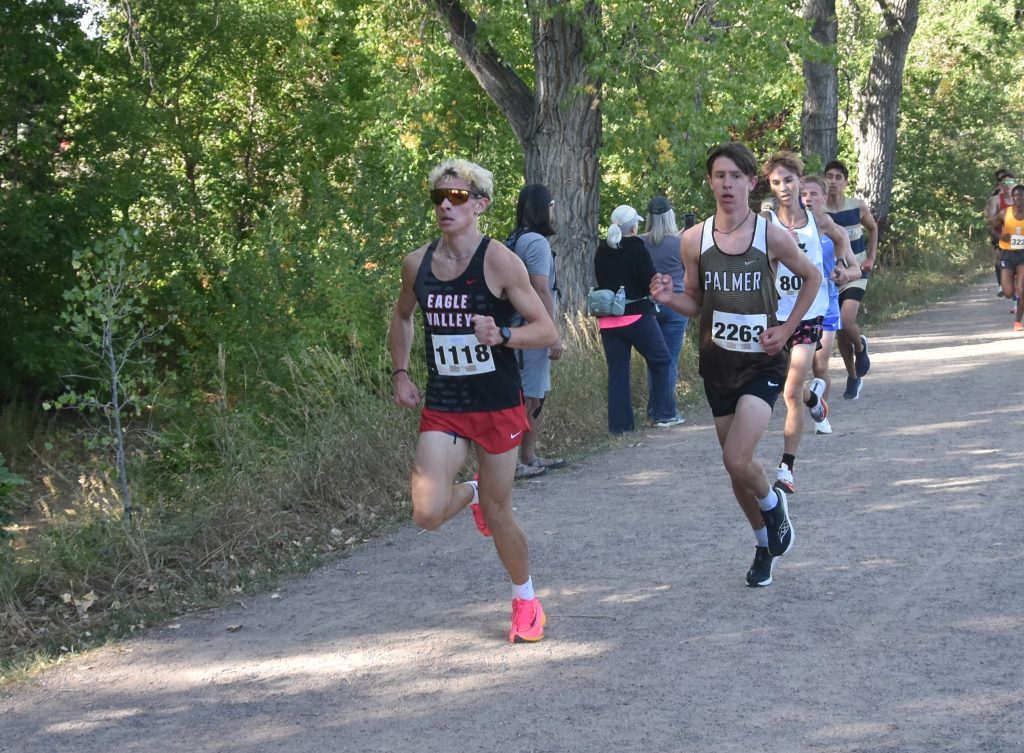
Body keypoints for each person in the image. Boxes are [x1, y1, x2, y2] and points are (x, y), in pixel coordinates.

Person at [389, 158, 558, 643]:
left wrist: (503, 333)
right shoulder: (417, 264)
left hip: (498, 403)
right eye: (438, 198)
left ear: (480, 204)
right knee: (426, 513)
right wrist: (401, 374)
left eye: (457, 197)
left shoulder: (501, 260)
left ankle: (526, 602)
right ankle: (471, 497)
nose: (445, 205)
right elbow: (402, 318)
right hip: (445, 404)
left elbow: (546, 328)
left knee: (502, 511)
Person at [650, 141, 821, 587]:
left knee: (736, 455)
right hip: (717, 365)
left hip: (762, 364)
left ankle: (773, 507)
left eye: (735, 176)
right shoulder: (694, 240)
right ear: (710, 182)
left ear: (750, 182)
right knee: (735, 468)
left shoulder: (771, 235)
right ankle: (764, 543)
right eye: (719, 176)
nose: (727, 184)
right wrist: (671, 299)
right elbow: (696, 301)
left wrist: (785, 331)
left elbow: (812, 278)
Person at [762, 153, 858, 494]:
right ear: (771, 187)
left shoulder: (820, 221)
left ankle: (786, 469)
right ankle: (815, 402)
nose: (784, 187)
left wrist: (846, 271)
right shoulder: (766, 221)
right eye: (776, 182)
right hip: (775, 316)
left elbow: (852, 263)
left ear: (801, 181)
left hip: (810, 314)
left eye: (789, 180)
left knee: (789, 391)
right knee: (793, 385)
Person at [594, 204, 678, 433]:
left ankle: (620, 427)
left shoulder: (602, 249)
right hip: (636, 316)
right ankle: (662, 413)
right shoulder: (637, 249)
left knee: (618, 371)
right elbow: (648, 283)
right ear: (633, 227)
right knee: (661, 360)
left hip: (608, 320)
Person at [506, 184, 566, 478]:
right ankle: (514, 463)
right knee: (529, 398)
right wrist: (551, 333)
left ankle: (527, 457)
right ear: (544, 208)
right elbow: (541, 289)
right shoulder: (537, 243)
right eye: (552, 205)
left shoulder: (515, 238)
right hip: (531, 330)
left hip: (517, 329)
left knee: (533, 395)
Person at [800, 175, 853, 435]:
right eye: (803, 194)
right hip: (796, 304)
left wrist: (842, 268)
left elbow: (854, 269)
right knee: (793, 372)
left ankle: (821, 414)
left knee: (819, 366)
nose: (807, 199)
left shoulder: (831, 227)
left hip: (827, 301)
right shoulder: (788, 228)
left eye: (812, 194)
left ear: (824, 198)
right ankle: (811, 398)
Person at [824, 159, 878, 400]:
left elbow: (873, 229)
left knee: (846, 322)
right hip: (832, 276)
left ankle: (861, 346)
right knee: (841, 331)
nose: (833, 181)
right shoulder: (818, 212)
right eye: (829, 176)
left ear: (845, 182)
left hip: (856, 271)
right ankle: (853, 376)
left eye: (838, 177)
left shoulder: (857, 206)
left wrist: (871, 258)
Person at [640, 195, 687, 426]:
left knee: (655, 360)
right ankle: (665, 412)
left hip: (649, 305)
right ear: (670, 216)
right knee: (670, 360)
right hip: (676, 304)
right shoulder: (680, 243)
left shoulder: (640, 242)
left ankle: (655, 410)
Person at [989, 183, 1024, 330]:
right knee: (1009, 292)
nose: (1019, 198)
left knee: (1021, 289)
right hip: (1007, 254)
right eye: (1016, 195)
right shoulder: (1004, 213)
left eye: (1022, 195)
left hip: (1023, 254)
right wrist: (1001, 238)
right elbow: (990, 227)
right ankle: (1015, 290)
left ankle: (1017, 321)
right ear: (1012, 197)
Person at [985, 171, 1016, 296]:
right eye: (1005, 183)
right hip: (1001, 235)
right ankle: (1001, 284)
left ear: (1014, 184)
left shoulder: (1020, 198)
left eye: (1010, 182)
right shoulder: (995, 199)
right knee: (999, 258)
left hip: (1019, 235)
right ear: (1000, 185)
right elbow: (990, 221)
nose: (1008, 185)